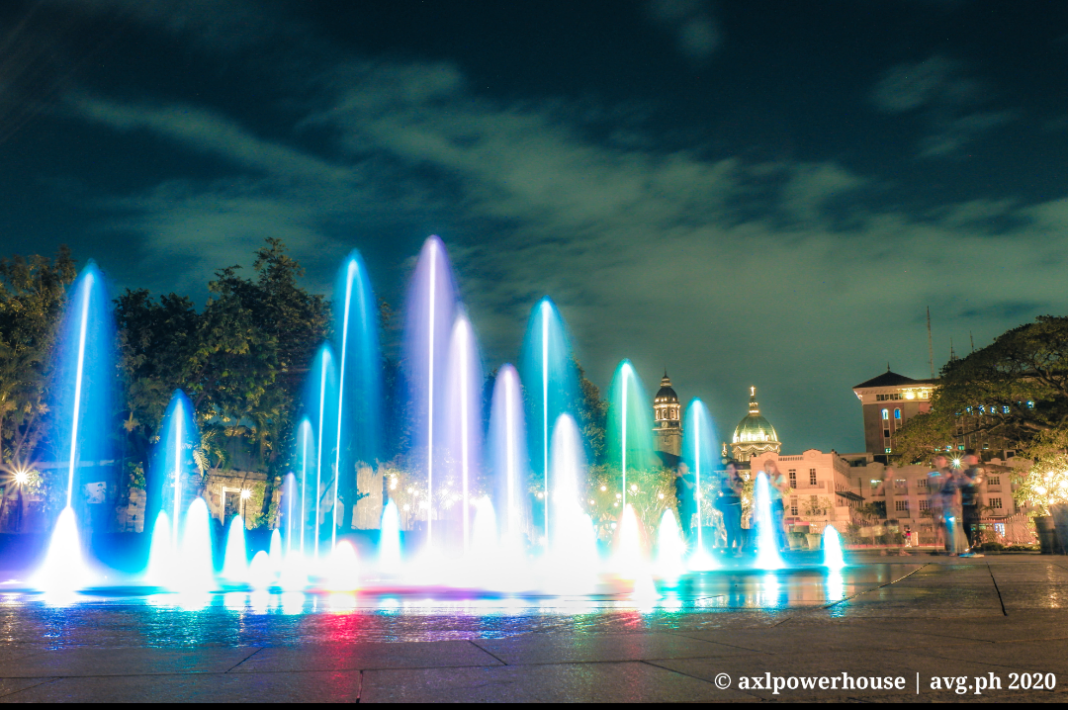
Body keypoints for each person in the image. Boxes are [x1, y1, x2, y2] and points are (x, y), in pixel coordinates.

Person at [958, 452, 985, 556]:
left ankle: (976, 546)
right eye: (966, 458)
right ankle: (970, 546)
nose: (967, 460)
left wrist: (962, 476)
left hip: (974, 501)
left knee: (974, 523)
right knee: (966, 524)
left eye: (969, 457)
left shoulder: (978, 470)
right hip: (965, 501)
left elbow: (974, 482)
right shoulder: (965, 470)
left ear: (975, 458)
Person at [715, 460, 744, 554]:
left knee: (736, 528)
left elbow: (738, 491)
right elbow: (720, 491)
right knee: (728, 528)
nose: (729, 470)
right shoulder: (723, 480)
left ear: (735, 469)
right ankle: (730, 549)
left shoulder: (739, 480)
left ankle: (739, 550)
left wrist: (731, 484)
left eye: (731, 468)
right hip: (725, 506)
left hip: (735, 506)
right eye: (727, 469)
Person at [762, 459, 791, 552]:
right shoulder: (766, 478)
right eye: (766, 468)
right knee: (771, 526)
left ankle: (784, 547)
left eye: (769, 467)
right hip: (768, 503)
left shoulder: (781, 477)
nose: (768, 470)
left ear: (774, 467)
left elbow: (782, 489)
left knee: (779, 526)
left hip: (777, 502)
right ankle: (775, 547)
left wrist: (773, 483)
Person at [674, 463, 698, 543]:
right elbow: (673, 487)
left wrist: (681, 477)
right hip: (680, 504)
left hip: (688, 504)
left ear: (688, 467)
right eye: (679, 466)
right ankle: (686, 543)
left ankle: (690, 544)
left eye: (682, 466)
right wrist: (673, 476)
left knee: (687, 525)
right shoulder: (678, 478)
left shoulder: (690, 476)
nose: (680, 468)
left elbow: (690, 486)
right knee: (683, 525)